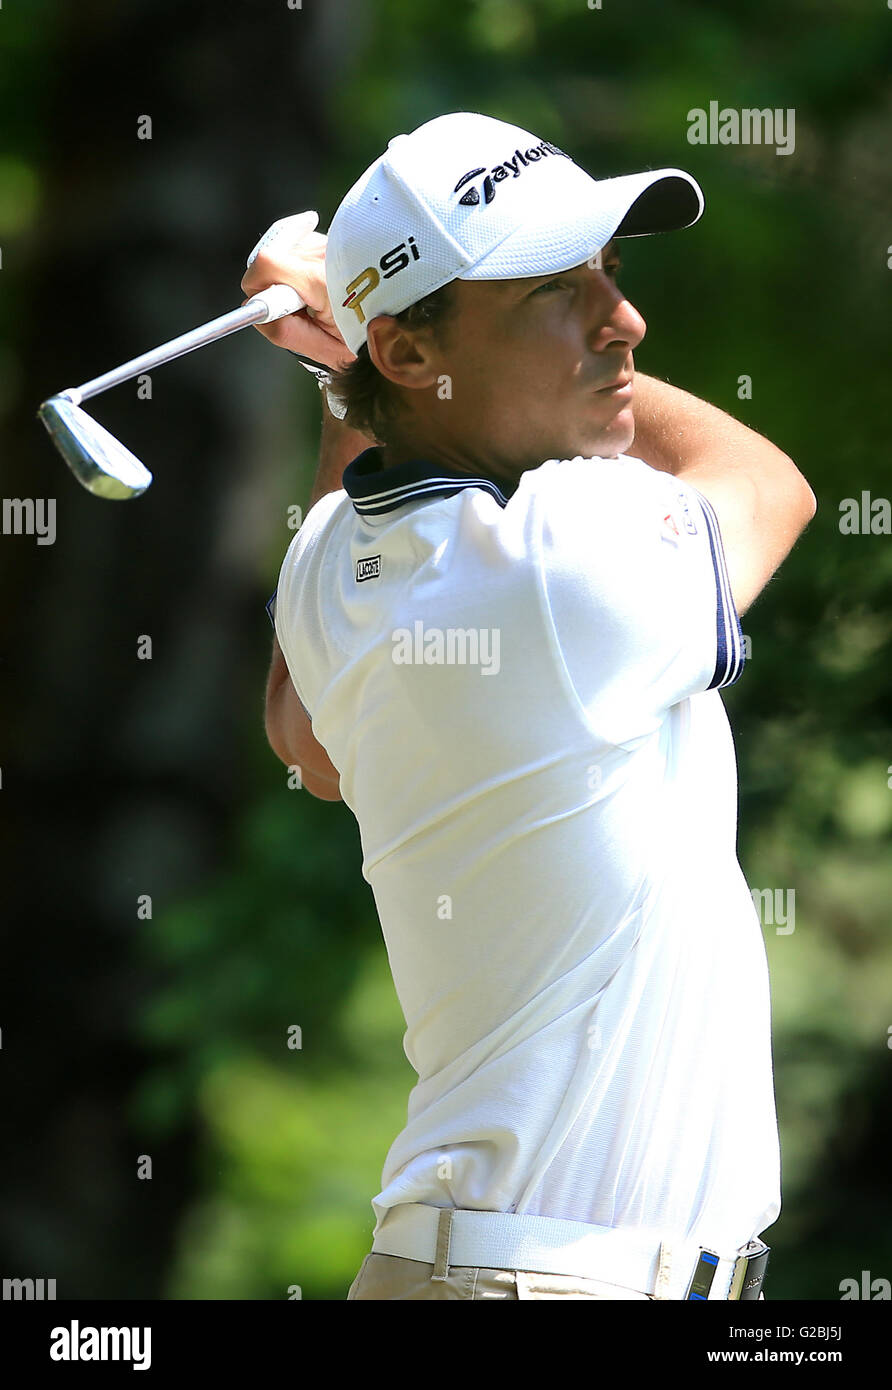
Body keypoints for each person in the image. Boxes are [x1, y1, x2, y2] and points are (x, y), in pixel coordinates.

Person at [241, 111, 816, 1301]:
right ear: (410, 355)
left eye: (610, 273)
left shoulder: (334, 569)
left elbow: (307, 736)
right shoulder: (562, 555)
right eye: (557, 292)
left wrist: (346, 364)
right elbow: (769, 485)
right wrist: (345, 342)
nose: (626, 321)